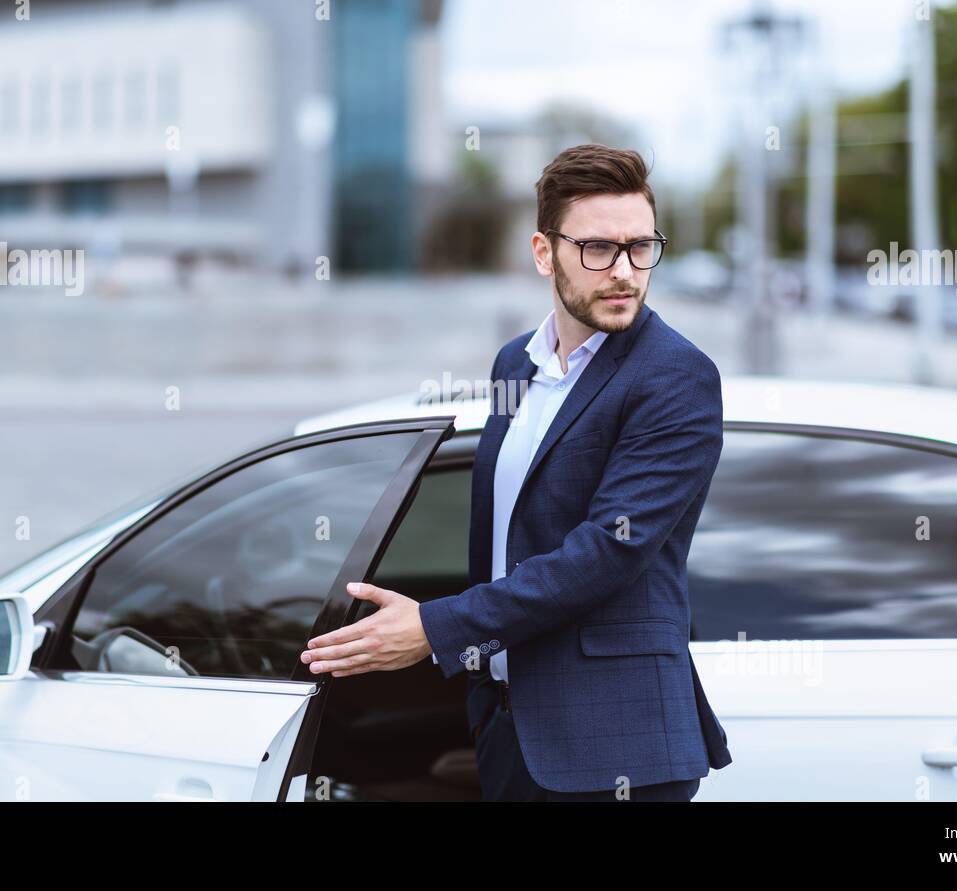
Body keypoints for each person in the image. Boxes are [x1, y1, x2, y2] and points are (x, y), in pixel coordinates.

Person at [301, 144, 731, 801]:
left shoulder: (674, 376)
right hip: (512, 731)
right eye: (598, 249)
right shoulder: (514, 364)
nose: (624, 271)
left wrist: (434, 627)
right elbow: (503, 530)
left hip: (616, 751)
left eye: (641, 247)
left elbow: (605, 553)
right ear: (542, 252)